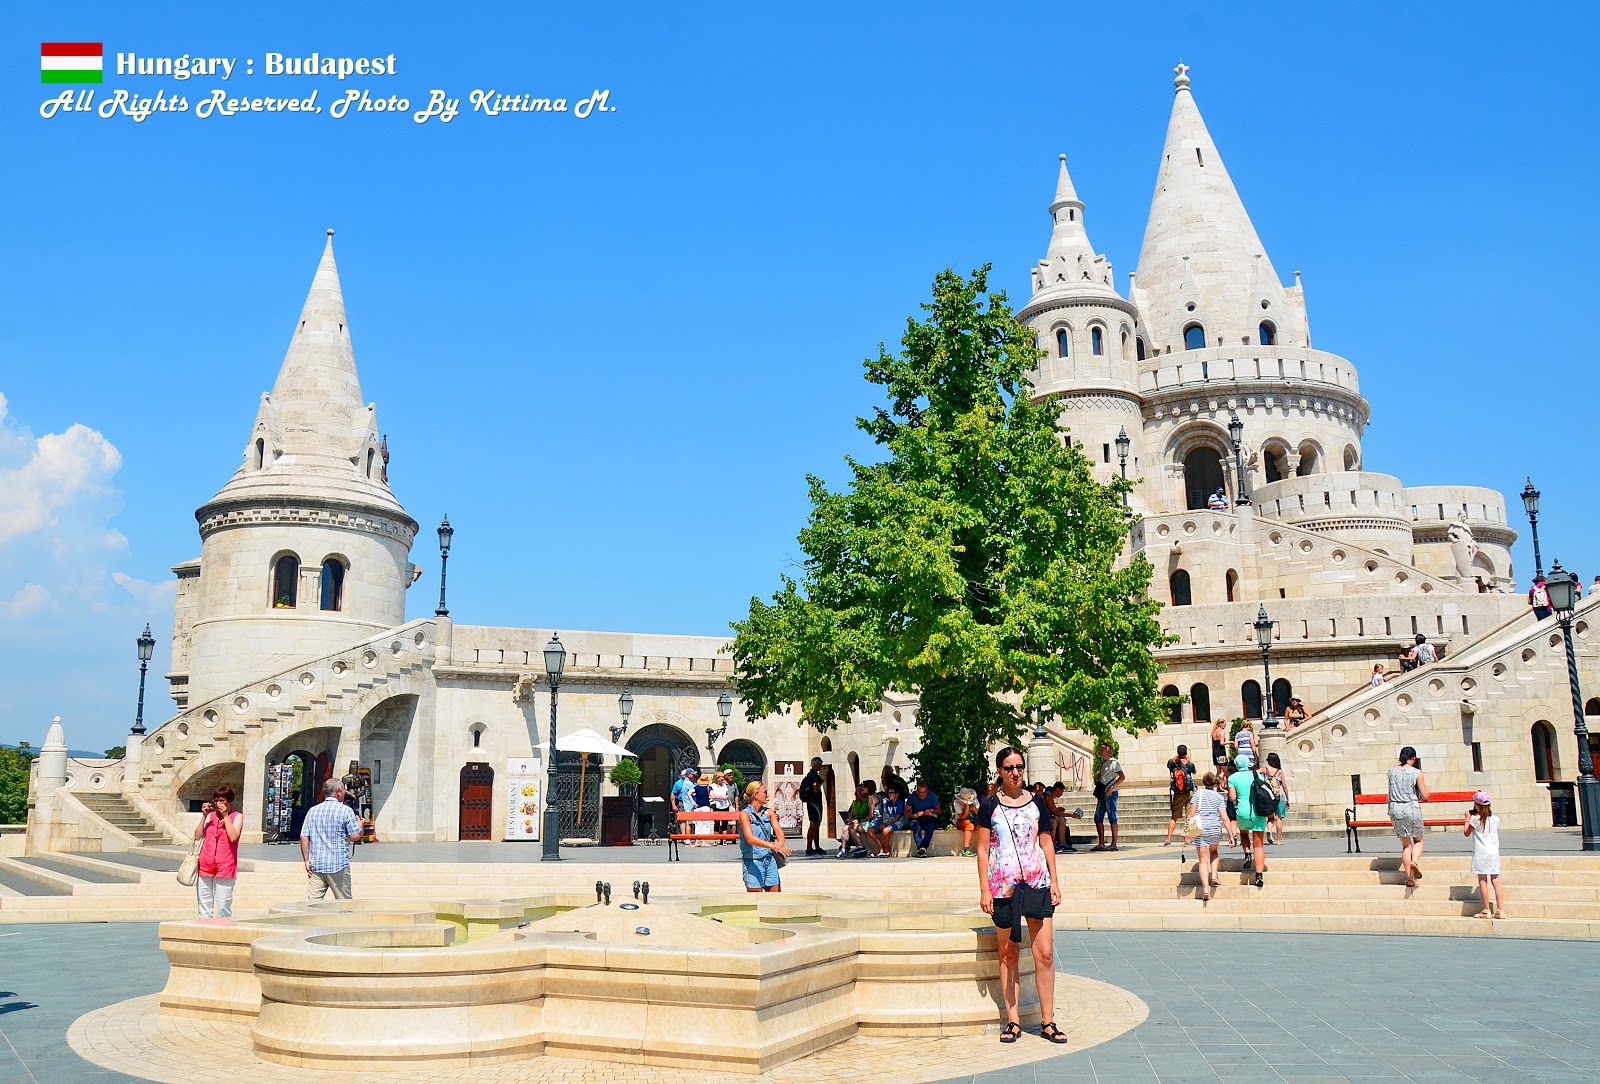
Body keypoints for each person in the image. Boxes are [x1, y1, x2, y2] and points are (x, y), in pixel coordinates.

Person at [973, 747, 1067, 1046]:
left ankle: (1048, 1021)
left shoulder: (1037, 801)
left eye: (1019, 767)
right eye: (1009, 768)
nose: (1015, 773)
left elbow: (1046, 841)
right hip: (1003, 886)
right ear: (1000, 771)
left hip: (1037, 882)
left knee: (1045, 953)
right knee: (1008, 953)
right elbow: (982, 850)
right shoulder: (989, 806)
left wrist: (1054, 880)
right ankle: (1012, 1020)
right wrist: (985, 889)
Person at [299, 777, 362, 901]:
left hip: (317, 864)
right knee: (344, 902)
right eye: (343, 790)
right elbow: (354, 836)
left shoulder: (313, 811)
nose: (344, 793)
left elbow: (304, 836)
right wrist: (360, 826)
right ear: (338, 792)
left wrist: (306, 860)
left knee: (312, 902)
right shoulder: (345, 810)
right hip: (338, 864)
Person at [194, 784, 242, 918]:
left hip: (225, 866)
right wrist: (204, 817)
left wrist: (226, 816)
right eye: (216, 800)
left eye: (222, 800)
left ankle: (223, 929)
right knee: (204, 906)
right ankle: (204, 929)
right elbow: (197, 836)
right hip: (205, 865)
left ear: (229, 801)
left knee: (222, 906)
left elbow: (233, 837)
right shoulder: (211, 816)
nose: (218, 803)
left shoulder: (237, 816)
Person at [737, 780, 790, 892]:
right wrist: (772, 846)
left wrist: (780, 845)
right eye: (765, 792)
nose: (768, 795)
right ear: (756, 795)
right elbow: (750, 839)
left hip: (769, 860)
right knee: (756, 898)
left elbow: (778, 831)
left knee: (775, 897)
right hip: (753, 861)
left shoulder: (769, 812)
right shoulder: (745, 814)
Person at [1389, 745, 1430, 888]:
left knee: (1406, 845)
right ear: (1413, 758)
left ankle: (1410, 879)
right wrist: (1426, 796)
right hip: (1411, 808)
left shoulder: (1391, 771)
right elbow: (1425, 795)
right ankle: (1415, 861)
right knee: (1418, 840)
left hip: (1396, 809)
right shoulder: (1416, 772)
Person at [1227, 754, 1268, 888]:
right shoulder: (1257, 775)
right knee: (1259, 845)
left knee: (1244, 834)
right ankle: (1259, 876)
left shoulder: (1233, 778)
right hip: (1258, 811)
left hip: (1243, 812)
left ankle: (1247, 853)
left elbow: (1233, 797)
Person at [1463, 790, 1503, 919]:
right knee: (1496, 880)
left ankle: (1486, 910)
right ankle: (1500, 910)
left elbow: (1466, 833)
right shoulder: (1495, 819)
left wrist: (1467, 819)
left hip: (1481, 852)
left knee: (1482, 881)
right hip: (1493, 852)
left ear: (1477, 805)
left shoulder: (1475, 819)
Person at [1191, 772, 1228, 902]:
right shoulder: (1219, 797)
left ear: (1204, 782)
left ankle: (1206, 889)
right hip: (1214, 828)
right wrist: (1231, 834)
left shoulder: (1198, 794)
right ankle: (1214, 875)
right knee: (1214, 851)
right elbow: (1224, 817)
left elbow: (1192, 813)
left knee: (1202, 860)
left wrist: (1186, 831)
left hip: (1200, 828)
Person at [1091, 743, 1125, 851]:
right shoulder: (1103, 763)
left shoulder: (1114, 763)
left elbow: (1122, 777)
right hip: (1102, 793)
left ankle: (1114, 844)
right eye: (1101, 749)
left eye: (1104, 749)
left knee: (1112, 817)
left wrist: (1112, 787)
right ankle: (1101, 843)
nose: (1101, 751)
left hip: (1111, 793)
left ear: (1109, 751)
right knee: (1098, 817)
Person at [1163, 744, 1195, 847]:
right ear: (1186, 753)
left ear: (1177, 753)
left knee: (1174, 817)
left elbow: (1169, 764)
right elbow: (1194, 772)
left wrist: (1176, 758)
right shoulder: (1189, 764)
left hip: (1177, 793)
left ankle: (1168, 839)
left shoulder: (1172, 764)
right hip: (1188, 793)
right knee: (1189, 815)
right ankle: (1188, 839)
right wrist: (1187, 759)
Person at [839, 782, 876, 857]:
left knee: (852, 829)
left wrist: (860, 821)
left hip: (864, 821)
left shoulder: (869, 801)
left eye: (861, 790)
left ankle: (860, 846)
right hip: (855, 822)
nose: (859, 792)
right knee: (845, 828)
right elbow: (851, 814)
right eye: (858, 790)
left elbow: (870, 814)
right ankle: (843, 848)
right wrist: (851, 820)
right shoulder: (855, 803)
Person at [907, 780, 942, 857]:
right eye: (920, 792)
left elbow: (939, 810)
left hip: (929, 818)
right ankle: (922, 848)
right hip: (916, 818)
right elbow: (906, 812)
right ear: (917, 792)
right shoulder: (912, 797)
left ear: (927, 791)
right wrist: (915, 815)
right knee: (915, 826)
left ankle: (922, 847)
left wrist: (931, 810)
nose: (922, 795)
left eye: (924, 792)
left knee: (930, 827)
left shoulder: (932, 795)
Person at [873, 779, 907, 857]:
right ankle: (881, 848)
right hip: (890, 820)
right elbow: (886, 815)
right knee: (871, 830)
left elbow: (897, 817)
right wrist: (883, 823)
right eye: (889, 793)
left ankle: (886, 849)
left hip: (899, 820)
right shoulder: (888, 803)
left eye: (892, 793)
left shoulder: (900, 803)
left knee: (886, 830)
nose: (890, 794)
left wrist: (886, 824)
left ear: (897, 794)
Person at [1261, 751, 1289, 845]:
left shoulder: (1264, 770)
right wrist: (1287, 799)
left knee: (1271, 818)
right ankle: (1279, 839)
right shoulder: (1279, 772)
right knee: (1279, 818)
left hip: (1269, 796)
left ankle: (1269, 829)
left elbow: (1255, 773)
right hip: (1280, 796)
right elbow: (1284, 786)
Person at [799, 757, 825, 856]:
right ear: (815, 765)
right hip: (815, 803)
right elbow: (815, 789)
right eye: (819, 764)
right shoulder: (814, 776)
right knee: (814, 824)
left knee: (816, 824)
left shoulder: (810, 775)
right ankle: (809, 847)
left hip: (812, 802)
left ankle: (816, 847)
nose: (821, 766)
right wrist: (820, 783)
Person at [1047, 782, 1081, 853]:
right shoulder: (1048, 796)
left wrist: (1058, 809)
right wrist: (1072, 815)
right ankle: (1052, 844)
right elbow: (1055, 813)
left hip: (1049, 816)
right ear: (1057, 789)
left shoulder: (1051, 796)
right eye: (1061, 792)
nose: (1062, 794)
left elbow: (1053, 809)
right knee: (1054, 821)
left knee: (1061, 820)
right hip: (1045, 818)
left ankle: (1062, 843)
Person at [670, 767, 697, 839]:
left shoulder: (692, 782)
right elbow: (673, 794)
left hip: (690, 803)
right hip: (681, 802)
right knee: (683, 819)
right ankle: (684, 835)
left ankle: (688, 835)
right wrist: (673, 805)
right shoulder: (678, 783)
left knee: (690, 820)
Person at [954, 786, 980, 857]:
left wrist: (974, 809)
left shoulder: (974, 800)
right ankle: (966, 849)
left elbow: (980, 814)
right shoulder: (957, 803)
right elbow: (963, 817)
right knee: (969, 824)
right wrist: (967, 807)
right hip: (960, 821)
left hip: (974, 819)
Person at [709, 771, 732, 842]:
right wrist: (721, 797)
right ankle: (716, 840)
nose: (723, 778)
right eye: (721, 777)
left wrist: (726, 797)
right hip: (717, 806)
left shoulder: (724, 785)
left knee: (725, 823)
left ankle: (724, 839)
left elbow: (727, 794)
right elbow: (712, 796)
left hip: (725, 805)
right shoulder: (712, 786)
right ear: (717, 778)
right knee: (717, 823)